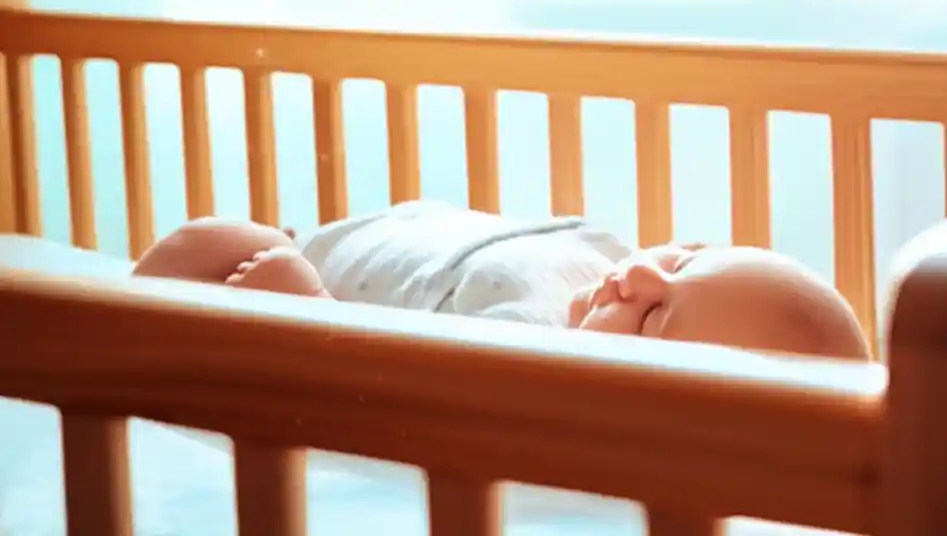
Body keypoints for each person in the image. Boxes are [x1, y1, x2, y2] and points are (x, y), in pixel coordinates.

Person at [133, 201, 870, 360]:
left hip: (294, 281)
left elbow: (398, 380)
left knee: (197, 254)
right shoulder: (608, 256)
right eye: (684, 256)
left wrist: (305, 308)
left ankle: (95, 336)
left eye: (654, 319)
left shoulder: (530, 360)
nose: (639, 271)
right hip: (332, 232)